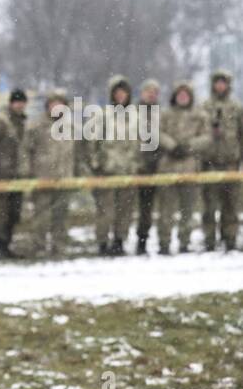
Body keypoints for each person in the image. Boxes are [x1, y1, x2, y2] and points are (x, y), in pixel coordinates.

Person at [88, 74, 138, 255]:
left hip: (128, 171)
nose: (120, 96)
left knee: (125, 211)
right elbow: (92, 143)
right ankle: (102, 242)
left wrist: (137, 164)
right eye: (117, 93)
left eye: (123, 93)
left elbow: (142, 142)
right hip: (107, 171)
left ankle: (119, 241)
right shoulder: (102, 116)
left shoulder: (135, 117)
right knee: (105, 211)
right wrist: (96, 165)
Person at [156, 81, 207, 255]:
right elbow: (157, 132)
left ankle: (184, 242)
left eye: (186, 94)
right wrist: (172, 146)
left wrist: (188, 147)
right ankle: (164, 242)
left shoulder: (199, 115)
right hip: (168, 167)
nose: (183, 97)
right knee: (166, 210)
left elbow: (207, 137)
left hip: (190, 167)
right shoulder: (166, 114)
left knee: (188, 209)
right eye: (180, 94)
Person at [25, 89, 74, 258]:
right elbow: (26, 151)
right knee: (41, 217)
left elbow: (78, 153)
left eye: (60, 103)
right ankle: (38, 247)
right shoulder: (36, 126)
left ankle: (59, 247)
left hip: (64, 179)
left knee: (60, 216)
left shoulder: (71, 127)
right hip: (42, 178)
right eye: (53, 103)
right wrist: (28, 173)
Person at [200, 69, 243, 252]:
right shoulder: (204, 107)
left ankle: (230, 238)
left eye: (223, 82)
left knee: (231, 205)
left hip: (231, 162)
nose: (220, 86)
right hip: (209, 162)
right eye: (217, 82)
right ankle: (209, 240)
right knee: (209, 205)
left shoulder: (236, 107)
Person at [0, 89, 29, 258]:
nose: (20, 105)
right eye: (17, 102)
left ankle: (7, 245)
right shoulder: (1, 121)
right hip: (1, 174)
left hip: (17, 175)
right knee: (1, 212)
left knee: (14, 212)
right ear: (11, 103)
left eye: (22, 102)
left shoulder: (22, 122)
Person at [135, 78, 161, 254]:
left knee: (147, 208)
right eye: (148, 91)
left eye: (154, 92)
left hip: (154, 167)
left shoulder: (161, 115)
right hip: (135, 166)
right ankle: (116, 240)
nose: (150, 95)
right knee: (126, 206)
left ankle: (142, 240)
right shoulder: (132, 113)